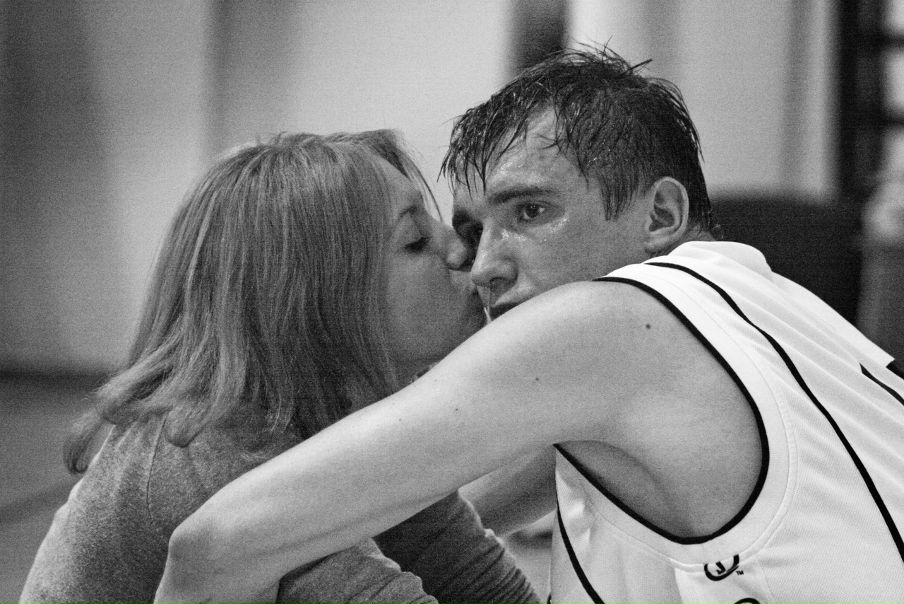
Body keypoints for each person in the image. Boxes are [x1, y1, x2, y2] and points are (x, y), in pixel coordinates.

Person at [154, 48, 904, 604]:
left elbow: (216, 548)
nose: (481, 267)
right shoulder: (767, 308)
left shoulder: (603, 325)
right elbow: (445, 512)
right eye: (471, 231)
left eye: (532, 212)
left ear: (661, 215)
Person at [19, 130, 540, 604]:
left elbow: (481, 585)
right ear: (315, 299)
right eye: (416, 242)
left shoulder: (360, 405)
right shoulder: (213, 448)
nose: (464, 251)